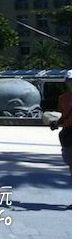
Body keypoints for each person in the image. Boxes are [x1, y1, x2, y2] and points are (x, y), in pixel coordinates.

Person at [50, 70, 71, 208]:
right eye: (69, 81)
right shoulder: (63, 98)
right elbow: (61, 117)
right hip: (68, 134)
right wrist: (54, 123)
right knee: (72, 166)